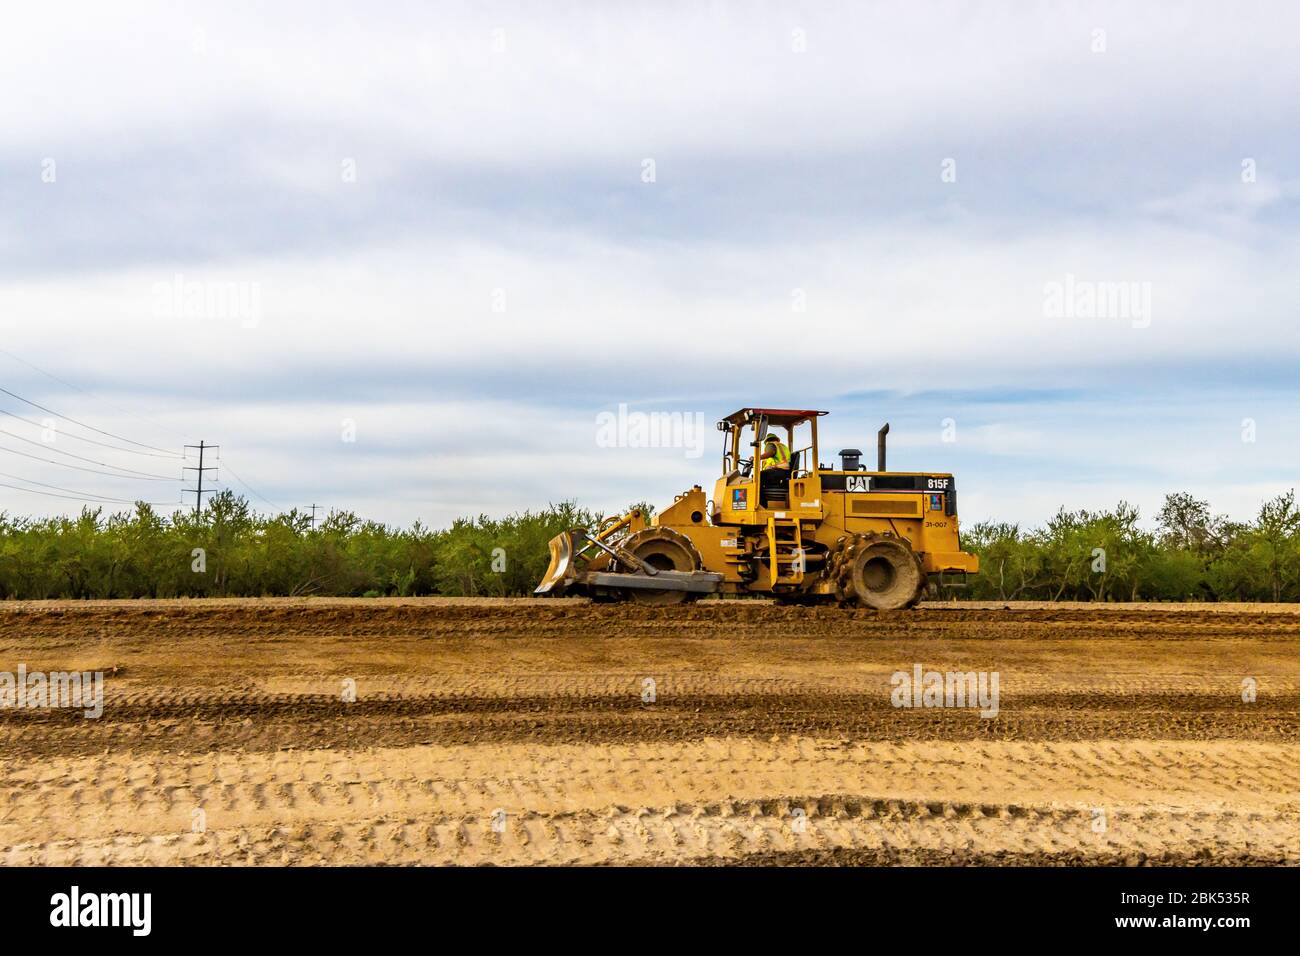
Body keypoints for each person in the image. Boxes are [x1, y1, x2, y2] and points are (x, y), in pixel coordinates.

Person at [759, 433, 790, 502]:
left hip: (781, 470)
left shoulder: (771, 444)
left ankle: (761, 502)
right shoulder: (783, 446)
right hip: (785, 470)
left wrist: (757, 457)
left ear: (767, 441)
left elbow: (770, 452)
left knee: (759, 476)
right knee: (764, 474)